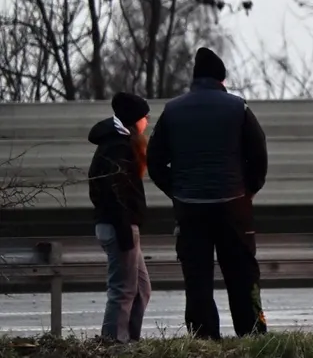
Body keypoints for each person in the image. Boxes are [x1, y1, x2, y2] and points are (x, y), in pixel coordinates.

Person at [147, 47, 270, 339]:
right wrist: (248, 189)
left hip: (190, 209)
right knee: (242, 274)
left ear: (195, 78)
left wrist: (177, 190)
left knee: (197, 279)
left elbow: (154, 160)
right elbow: (259, 154)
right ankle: (252, 335)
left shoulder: (173, 110)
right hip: (233, 207)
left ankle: (204, 341)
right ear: (221, 79)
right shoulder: (238, 108)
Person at [88, 92, 153, 343]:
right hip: (118, 226)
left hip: (121, 225)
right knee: (123, 290)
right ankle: (113, 344)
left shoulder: (120, 143)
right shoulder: (116, 147)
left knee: (141, 289)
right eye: (143, 116)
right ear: (133, 120)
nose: (147, 120)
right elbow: (111, 192)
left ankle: (129, 341)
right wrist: (124, 227)